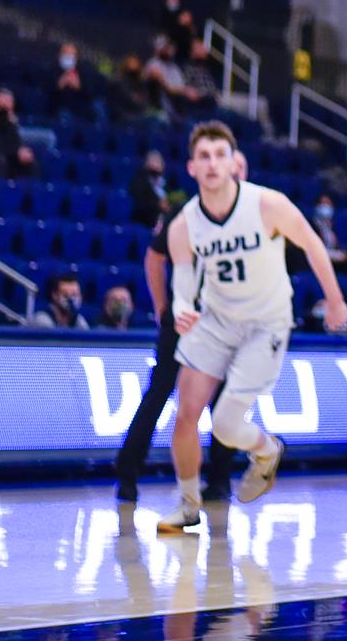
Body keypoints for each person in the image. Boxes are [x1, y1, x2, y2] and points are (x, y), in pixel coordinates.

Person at [159, 122, 347, 533]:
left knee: (227, 425)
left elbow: (314, 246)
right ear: (191, 167)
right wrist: (180, 306)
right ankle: (188, 505)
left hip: (266, 322)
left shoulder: (268, 204)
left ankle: (267, 450)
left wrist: (335, 300)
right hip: (215, 321)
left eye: (219, 155)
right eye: (204, 156)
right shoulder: (183, 225)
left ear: (234, 163)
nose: (212, 164)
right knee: (185, 416)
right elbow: (182, 277)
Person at [115, 189, 236, 505]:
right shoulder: (187, 213)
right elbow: (155, 256)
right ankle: (128, 473)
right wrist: (161, 308)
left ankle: (219, 480)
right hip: (191, 318)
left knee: (217, 400)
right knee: (162, 394)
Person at [0, 91, 36, 179]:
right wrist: (16, 151)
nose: (5, 108)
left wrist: (21, 152)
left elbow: (17, 144)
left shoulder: (11, 124)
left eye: (8, 104)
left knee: (31, 161)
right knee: (1, 160)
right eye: (2, 105)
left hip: (9, 158)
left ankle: (32, 190)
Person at [130, 151, 170, 230]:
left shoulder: (165, 184)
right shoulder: (140, 181)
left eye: (158, 162)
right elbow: (140, 203)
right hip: (145, 222)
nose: (156, 166)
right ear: (147, 164)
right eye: (153, 162)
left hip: (164, 223)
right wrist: (158, 204)